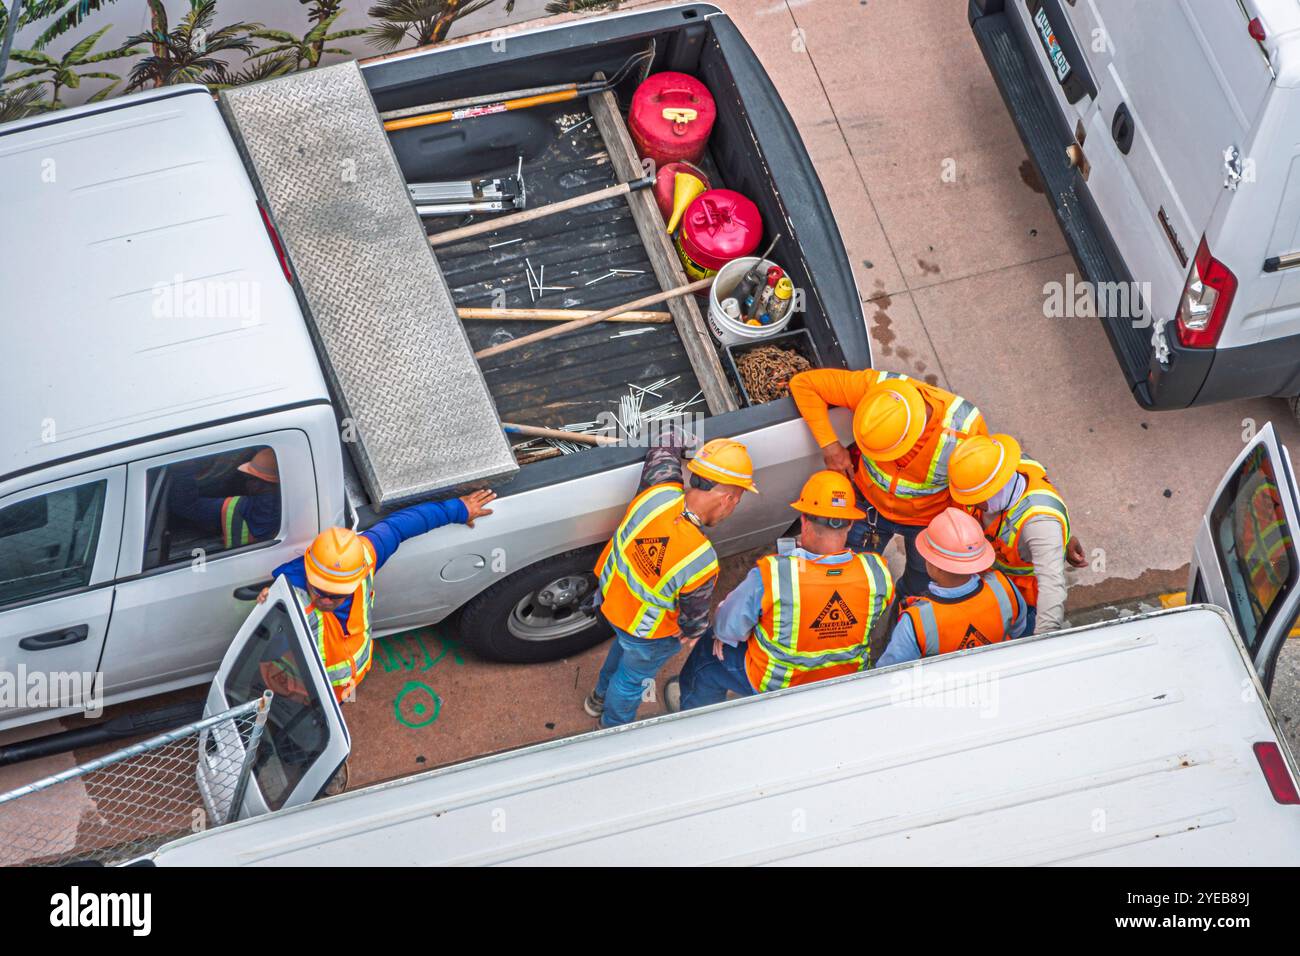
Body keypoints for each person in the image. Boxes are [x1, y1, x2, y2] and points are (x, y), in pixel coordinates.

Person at [667, 470, 894, 711]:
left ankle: (697, 717)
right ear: (849, 524)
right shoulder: (877, 573)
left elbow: (728, 626)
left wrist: (723, 636)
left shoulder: (774, 575)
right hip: (842, 678)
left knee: (707, 654)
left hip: (779, 683)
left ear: (804, 521)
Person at [584, 432, 758, 728]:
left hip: (613, 602)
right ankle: (612, 727)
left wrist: (679, 439)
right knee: (631, 681)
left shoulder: (658, 490)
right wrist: (693, 632)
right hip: (647, 634)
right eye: (737, 501)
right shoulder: (701, 560)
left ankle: (597, 698)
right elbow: (693, 618)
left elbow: (663, 447)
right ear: (729, 499)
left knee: (621, 650)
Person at [256, 489, 497, 703]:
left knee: (348, 699)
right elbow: (267, 642)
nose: (326, 600)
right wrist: (268, 601)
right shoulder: (290, 600)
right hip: (308, 695)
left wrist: (457, 509)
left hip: (349, 681)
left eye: (337, 594)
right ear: (308, 572)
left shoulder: (365, 558)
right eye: (319, 590)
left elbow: (399, 527)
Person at [788, 369, 986, 600]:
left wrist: (952, 539)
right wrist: (830, 446)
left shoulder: (965, 431)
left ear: (912, 435)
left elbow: (967, 496)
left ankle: (906, 616)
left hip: (927, 522)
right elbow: (804, 384)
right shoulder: (874, 390)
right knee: (851, 573)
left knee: (921, 581)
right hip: (869, 508)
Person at [947, 433, 1084, 634]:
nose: (970, 503)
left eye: (976, 498)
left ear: (996, 488)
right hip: (993, 578)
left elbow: (1052, 586)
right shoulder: (1002, 464)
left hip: (1022, 597)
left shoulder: (1040, 524)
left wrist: (1042, 641)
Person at [877, 507, 1027, 668]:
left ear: (936, 565)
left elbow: (889, 671)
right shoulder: (1004, 587)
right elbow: (1017, 630)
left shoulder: (917, 621)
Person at [168, 447, 281, 548]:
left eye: (248, 478)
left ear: (259, 483)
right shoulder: (292, 506)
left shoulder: (240, 507)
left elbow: (186, 505)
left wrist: (183, 469)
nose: (245, 483)